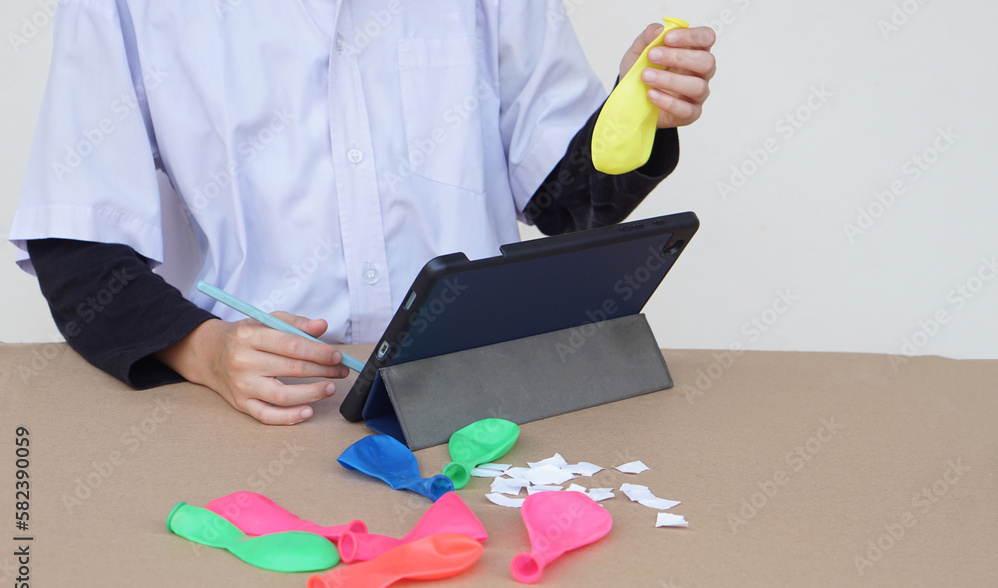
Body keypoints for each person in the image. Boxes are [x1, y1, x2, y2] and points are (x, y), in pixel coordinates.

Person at [9, 0, 716, 425]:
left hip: (473, 396)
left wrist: (638, 112)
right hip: (256, 408)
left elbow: (566, 202)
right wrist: (206, 351)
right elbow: (77, 247)